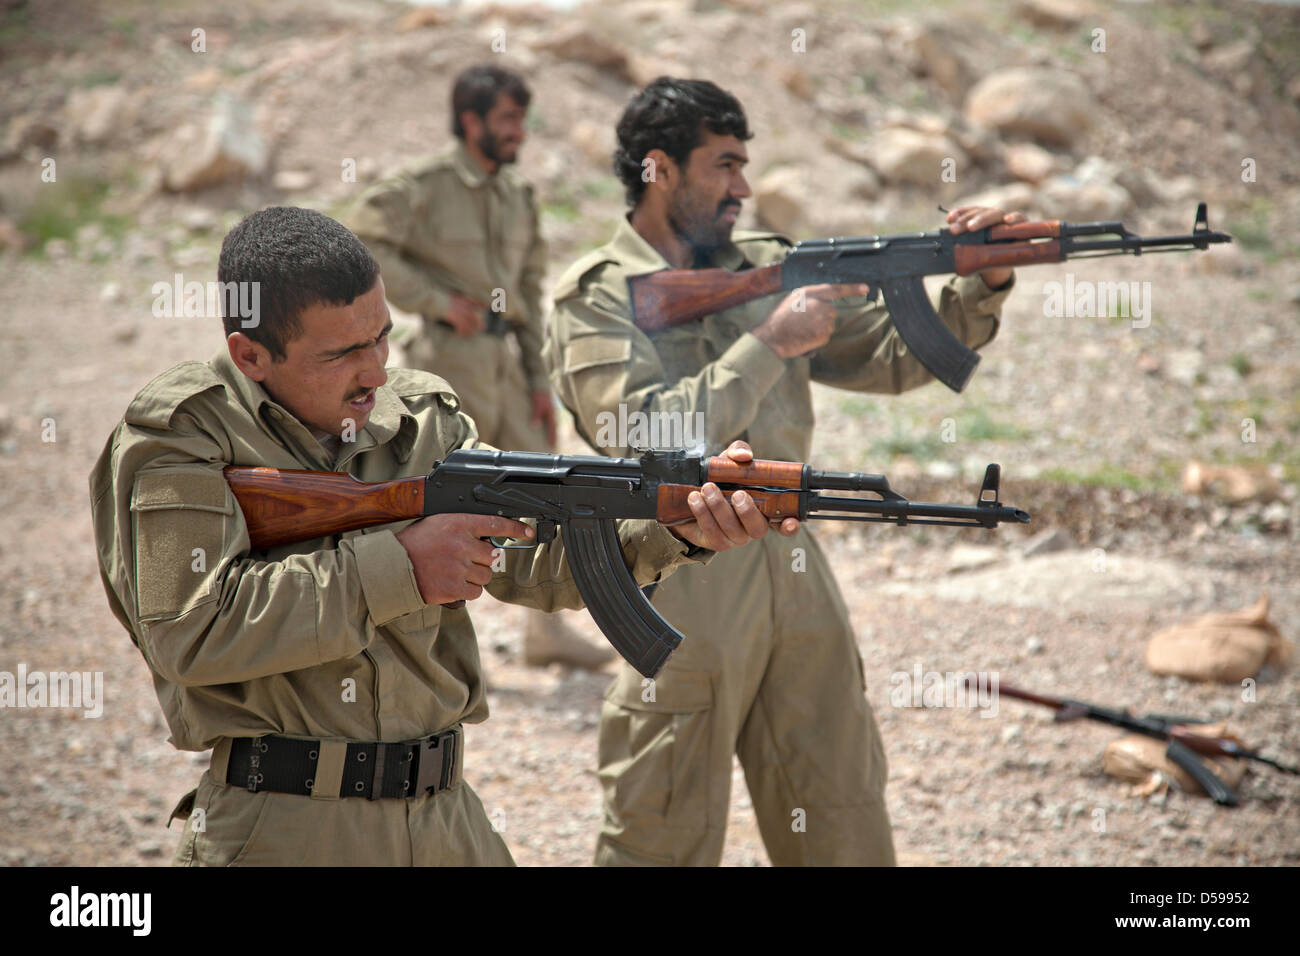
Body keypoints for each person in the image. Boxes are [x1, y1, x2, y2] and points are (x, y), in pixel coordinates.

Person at [88, 206, 789, 866]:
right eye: (341, 354)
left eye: (382, 336)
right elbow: (192, 630)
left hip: (444, 819)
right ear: (249, 356)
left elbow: (534, 563)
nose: (376, 371)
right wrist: (400, 567)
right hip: (286, 825)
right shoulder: (184, 435)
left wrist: (673, 529)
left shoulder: (421, 419)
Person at [543, 77, 1023, 866]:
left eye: (746, 165)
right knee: (660, 829)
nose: (744, 186)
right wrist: (768, 340)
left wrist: (983, 277)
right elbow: (638, 428)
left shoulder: (771, 265)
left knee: (840, 809)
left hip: (796, 566)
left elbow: (898, 357)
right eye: (724, 166)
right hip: (679, 577)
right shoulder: (596, 294)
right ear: (658, 170)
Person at [349, 64, 611, 670]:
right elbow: (364, 245)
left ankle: (544, 634)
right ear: (471, 122)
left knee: (546, 496)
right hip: (447, 369)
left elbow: (528, 287)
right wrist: (438, 302)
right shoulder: (425, 186)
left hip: (509, 369)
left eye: (522, 119)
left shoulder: (518, 195)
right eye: (508, 120)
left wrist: (542, 385)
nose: (520, 131)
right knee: (437, 502)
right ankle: (417, 645)